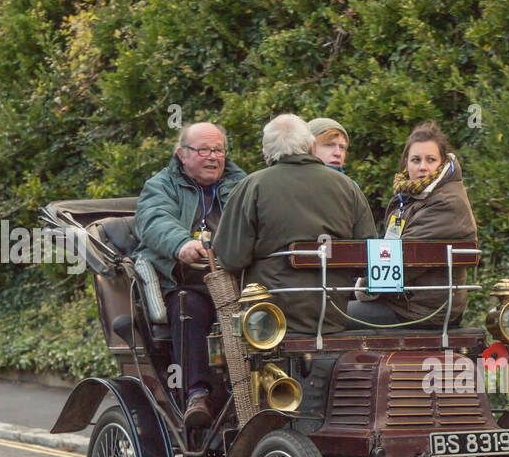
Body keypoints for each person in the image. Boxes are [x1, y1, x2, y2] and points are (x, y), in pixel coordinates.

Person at [214, 114, 376, 336]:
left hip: (268, 319)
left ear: (266, 152)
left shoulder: (253, 186)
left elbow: (231, 258)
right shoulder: (348, 188)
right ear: (310, 146)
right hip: (331, 316)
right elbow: (367, 255)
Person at [132, 123, 246, 427]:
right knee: (189, 306)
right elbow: (153, 220)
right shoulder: (160, 185)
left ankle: (254, 392)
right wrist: (181, 243)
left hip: (235, 276)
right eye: (204, 150)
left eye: (218, 150)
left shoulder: (242, 183)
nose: (213, 157)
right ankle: (197, 394)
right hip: (184, 278)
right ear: (182, 154)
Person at [347, 121, 478, 329]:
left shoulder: (446, 202)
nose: (422, 167)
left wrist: (362, 285)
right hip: (405, 300)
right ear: (406, 163)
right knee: (335, 302)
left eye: (431, 160)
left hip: (425, 310)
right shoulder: (411, 197)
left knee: (332, 316)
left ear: (442, 163)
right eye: (416, 160)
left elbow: (407, 260)